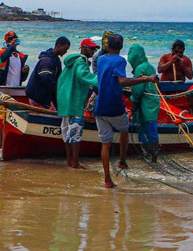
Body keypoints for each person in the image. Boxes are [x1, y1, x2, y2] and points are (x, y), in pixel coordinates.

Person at [93, 33, 159, 188]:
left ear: (107, 46)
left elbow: (108, 78)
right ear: (121, 47)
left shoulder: (101, 59)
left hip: (100, 106)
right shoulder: (120, 61)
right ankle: (122, 161)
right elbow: (121, 81)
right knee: (124, 130)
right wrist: (146, 79)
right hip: (114, 106)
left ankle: (107, 180)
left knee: (105, 145)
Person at [56, 37, 99, 169]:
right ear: (84, 48)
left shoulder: (72, 61)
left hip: (65, 102)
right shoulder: (81, 62)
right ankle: (75, 163)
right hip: (74, 102)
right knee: (76, 134)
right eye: (91, 48)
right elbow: (83, 75)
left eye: (95, 49)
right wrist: (104, 82)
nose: (93, 51)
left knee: (66, 134)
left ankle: (69, 161)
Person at [127, 43, 161, 162]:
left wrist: (133, 101)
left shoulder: (140, 69)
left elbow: (137, 90)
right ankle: (154, 155)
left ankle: (148, 155)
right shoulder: (149, 66)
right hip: (153, 102)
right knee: (152, 129)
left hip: (145, 104)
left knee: (146, 130)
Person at [25, 36, 69, 109]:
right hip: (37, 97)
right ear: (58, 46)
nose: (65, 52)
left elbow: (58, 79)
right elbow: (46, 80)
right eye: (65, 49)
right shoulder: (46, 61)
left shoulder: (57, 60)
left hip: (44, 95)